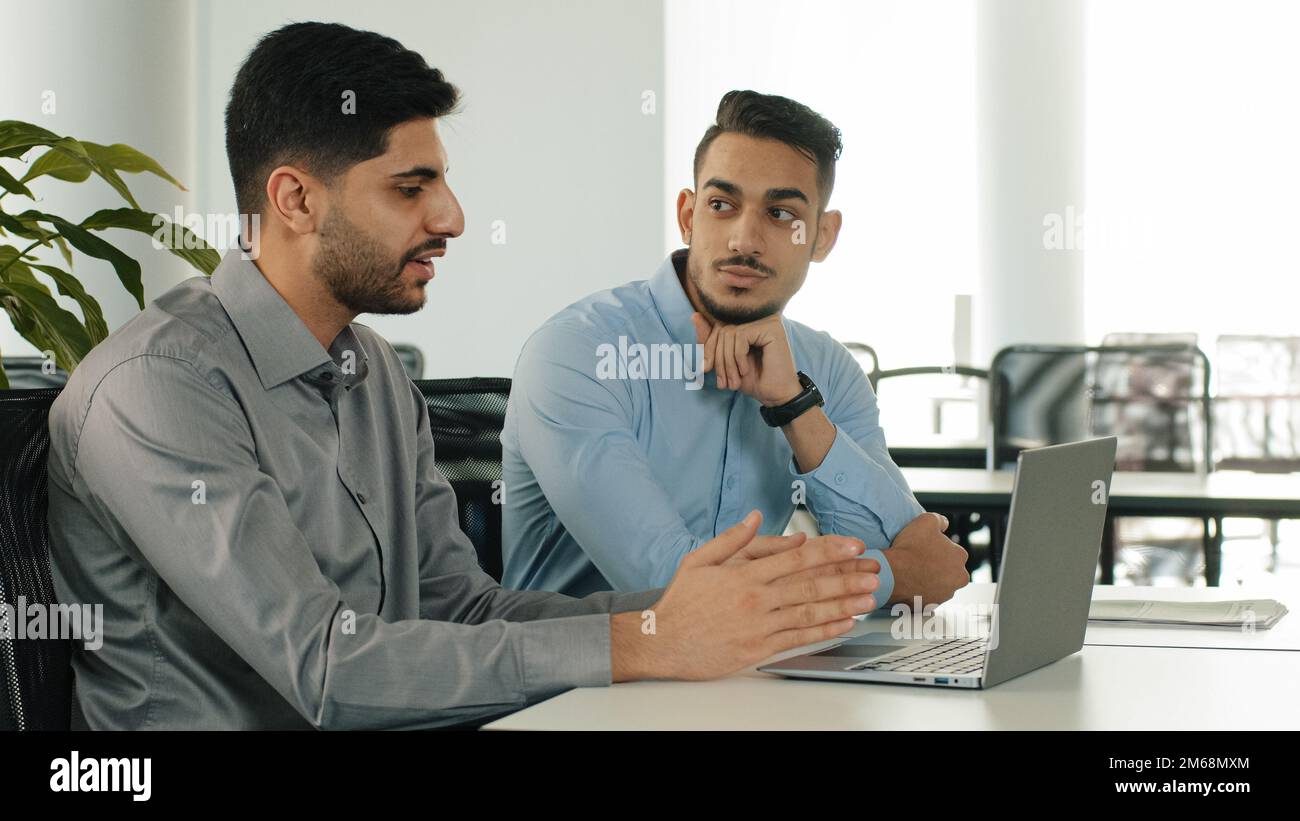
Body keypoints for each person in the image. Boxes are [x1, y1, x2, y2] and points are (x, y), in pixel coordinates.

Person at [45, 23, 881, 731]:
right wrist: (649, 640)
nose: (452, 217)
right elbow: (327, 666)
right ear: (295, 200)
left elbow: (464, 611)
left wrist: (693, 618)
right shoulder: (158, 386)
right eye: (412, 188)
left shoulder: (370, 372)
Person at [502, 90, 970, 607]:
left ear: (821, 236)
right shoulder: (579, 352)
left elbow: (908, 547)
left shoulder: (827, 369)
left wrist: (793, 405)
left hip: (756, 674)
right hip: (588, 680)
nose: (744, 240)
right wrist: (890, 578)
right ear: (687, 214)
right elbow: (673, 585)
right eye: (722, 205)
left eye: (780, 213)